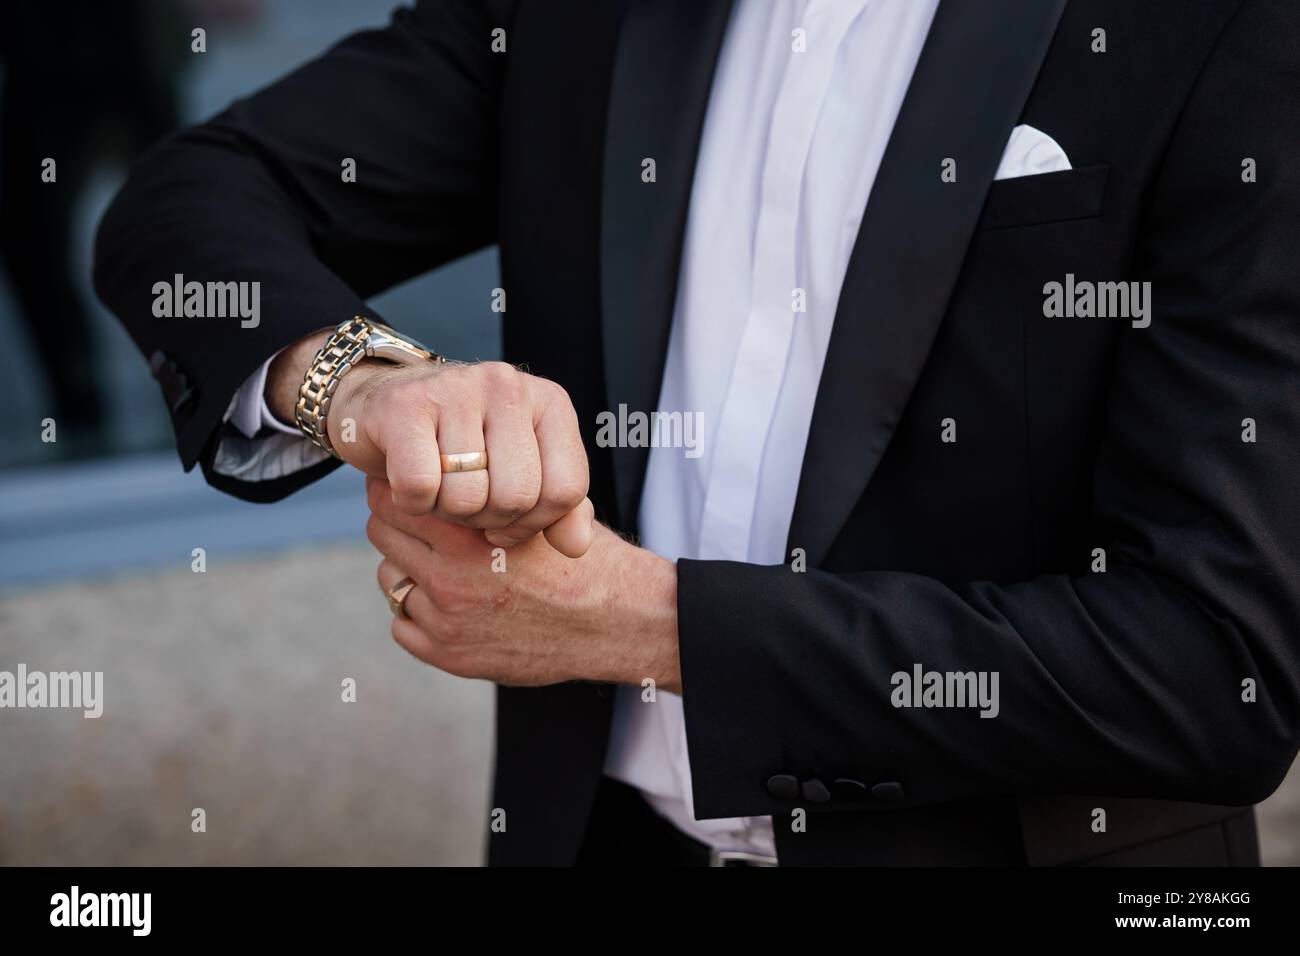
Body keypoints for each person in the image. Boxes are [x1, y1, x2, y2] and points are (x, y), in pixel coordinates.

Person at [94, 0, 1300, 866]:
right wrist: (363, 381)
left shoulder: (1229, 26)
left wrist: (644, 624)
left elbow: (1213, 668)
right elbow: (194, 192)